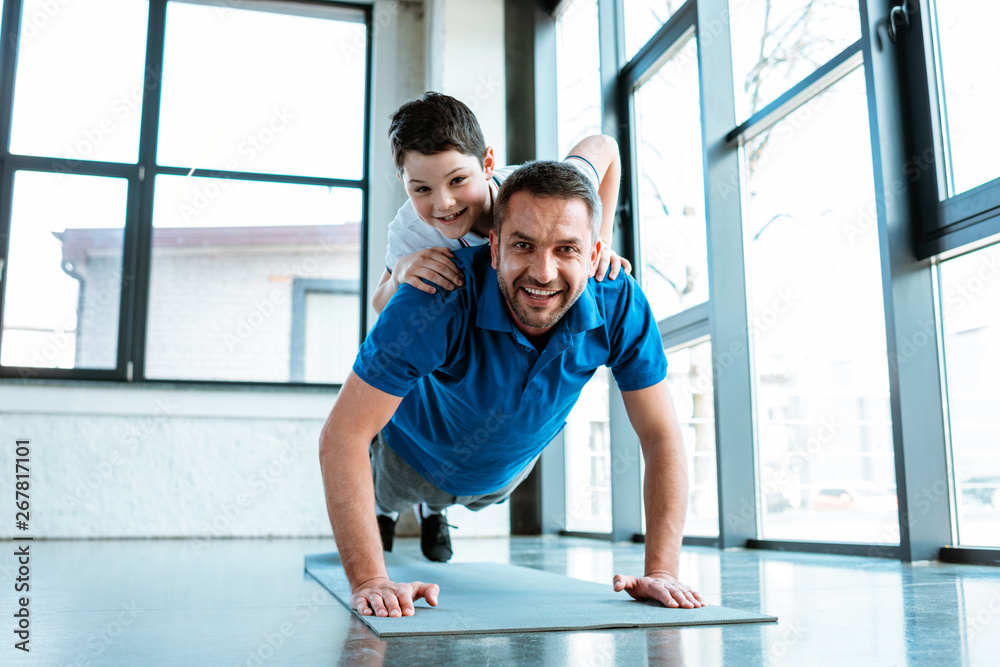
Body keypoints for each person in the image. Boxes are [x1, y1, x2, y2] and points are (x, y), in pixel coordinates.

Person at [318, 160, 704, 618]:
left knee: (480, 488)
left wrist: (662, 570)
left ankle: (434, 515)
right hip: (414, 458)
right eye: (523, 245)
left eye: (566, 249)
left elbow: (661, 436)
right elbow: (341, 436)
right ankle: (399, 511)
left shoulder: (618, 299)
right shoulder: (435, 295)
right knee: (390, 495)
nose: (544, 272)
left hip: (505, 473)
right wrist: (371, 579)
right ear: (494, 244)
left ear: (595, 251)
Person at [372, 92, 630, 315]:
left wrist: (600, 241)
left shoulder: (540, 197)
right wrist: (399, 275)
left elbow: (605, 146)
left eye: (458, 180)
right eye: (422, 189)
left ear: (487, 164)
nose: (444, 203)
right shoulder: (410, 230)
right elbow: (379, 303)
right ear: (403, 183)